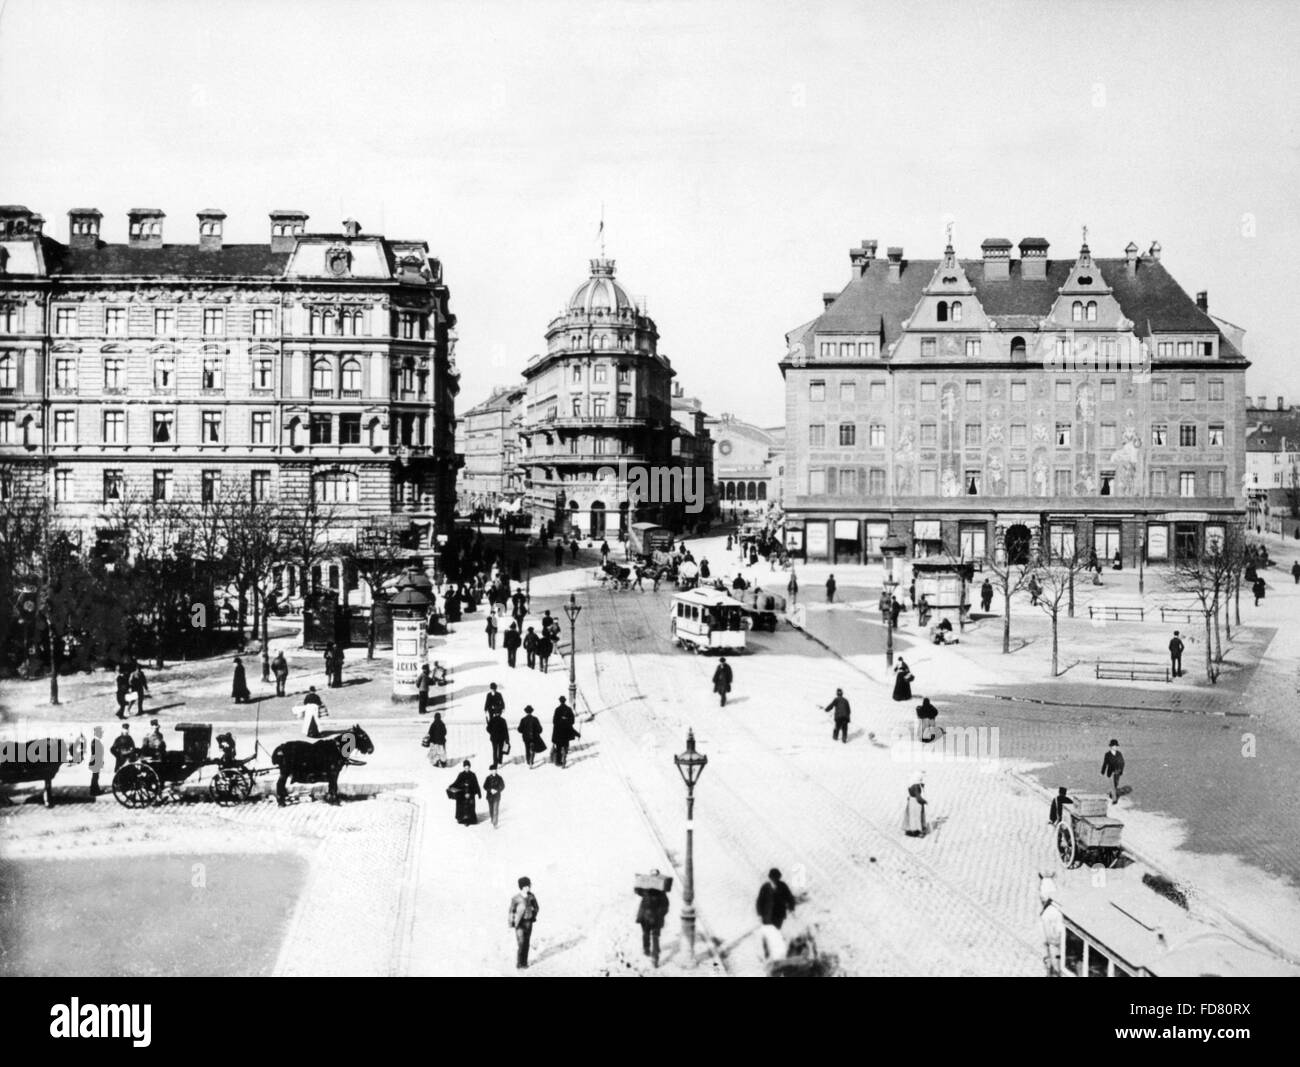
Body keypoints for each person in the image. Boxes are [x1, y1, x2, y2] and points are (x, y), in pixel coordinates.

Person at [635, 875, 671, 968]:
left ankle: (646, 949)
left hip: (645, 917)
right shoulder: (662, 894)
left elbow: (637, 890)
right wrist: (660, 915)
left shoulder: (645, 891)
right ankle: (655, 959)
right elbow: (665, 908)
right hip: (656, 920)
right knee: (655, 937)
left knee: (646, 933)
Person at [508, 877, 540, 969]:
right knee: (521, 943)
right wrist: (512, 923)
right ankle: (519, 964)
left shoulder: (531, 896)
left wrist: (533, 915)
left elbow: (537, 907)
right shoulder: (516, 898)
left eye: (529, 885)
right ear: (522, 887)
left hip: (529, 923)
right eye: (527, 885)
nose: (529, 887)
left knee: (526, 943)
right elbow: (512, 911)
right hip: (519, 924)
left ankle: (524, 963)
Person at [1040, 874, 1065, 977]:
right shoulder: (1059, 908)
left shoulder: (1047, 913)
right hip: (1059, 946)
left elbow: (1045, 938)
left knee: (1054, 970)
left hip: (1054, 946)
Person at [450, 760, 481, 825]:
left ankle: (470, 820)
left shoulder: (473, 775)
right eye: (465, 767)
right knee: (462, 806)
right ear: (463, 767)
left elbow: (476, 784)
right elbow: (456, 782)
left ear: (470, 767)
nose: (467, 768)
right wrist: (451, 786)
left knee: (470, 807)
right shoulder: (461, 775)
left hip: (471, 793)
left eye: (468, 767)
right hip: (462, 794)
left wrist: (479, 793)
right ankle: (462, 819)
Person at [551, 697, 577, 767]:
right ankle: (564, 760)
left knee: (558, 748)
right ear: (565, 701)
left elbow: (554, 721)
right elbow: (572, 721)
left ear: (560, 701)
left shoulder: (557, 709)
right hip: (566, 732)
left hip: (558, 732)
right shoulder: (569, 709)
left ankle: (558, 762)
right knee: (565, 746)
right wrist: (566, 720)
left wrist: (560, 721)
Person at [1101, 739, 1125, 803]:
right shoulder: (1107, 754)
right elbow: (1105, 763)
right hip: (1110, 772)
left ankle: (1112, 793)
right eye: (1114, 746)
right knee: (1112, 785)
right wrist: (1102, 771)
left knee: (1115, 784)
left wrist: (1121, 770)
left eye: (1116, 746)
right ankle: (1114, 799)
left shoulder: (1119, 754)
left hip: (1117, 771)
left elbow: (1122, 762)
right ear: (1111, 746)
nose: (1115, 747)